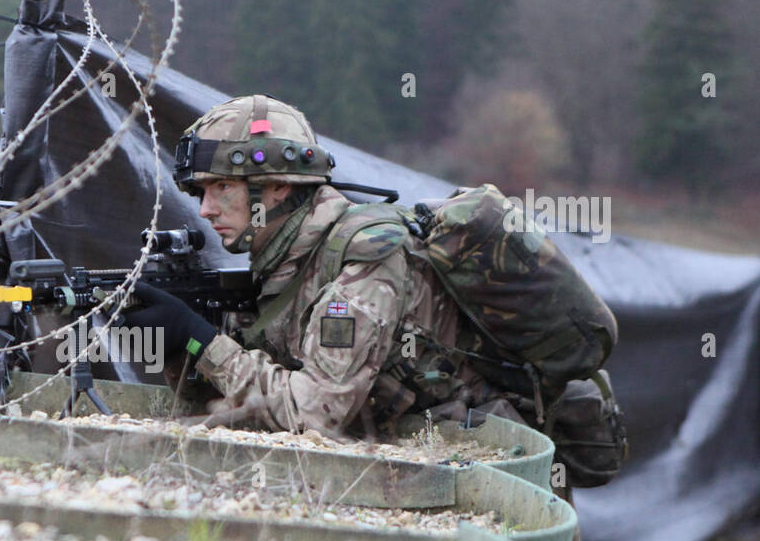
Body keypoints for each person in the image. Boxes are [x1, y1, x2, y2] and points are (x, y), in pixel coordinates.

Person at [121, 94, 525, 439]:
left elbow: (314, 415)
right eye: (201, 192)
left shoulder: (368, 255)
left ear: (279, 186)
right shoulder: (281, 264)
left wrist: (201, 340)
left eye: (223, 187)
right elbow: (240, 412)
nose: (205, 210)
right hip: (396, 459)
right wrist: (181, 348)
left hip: (486, 463)